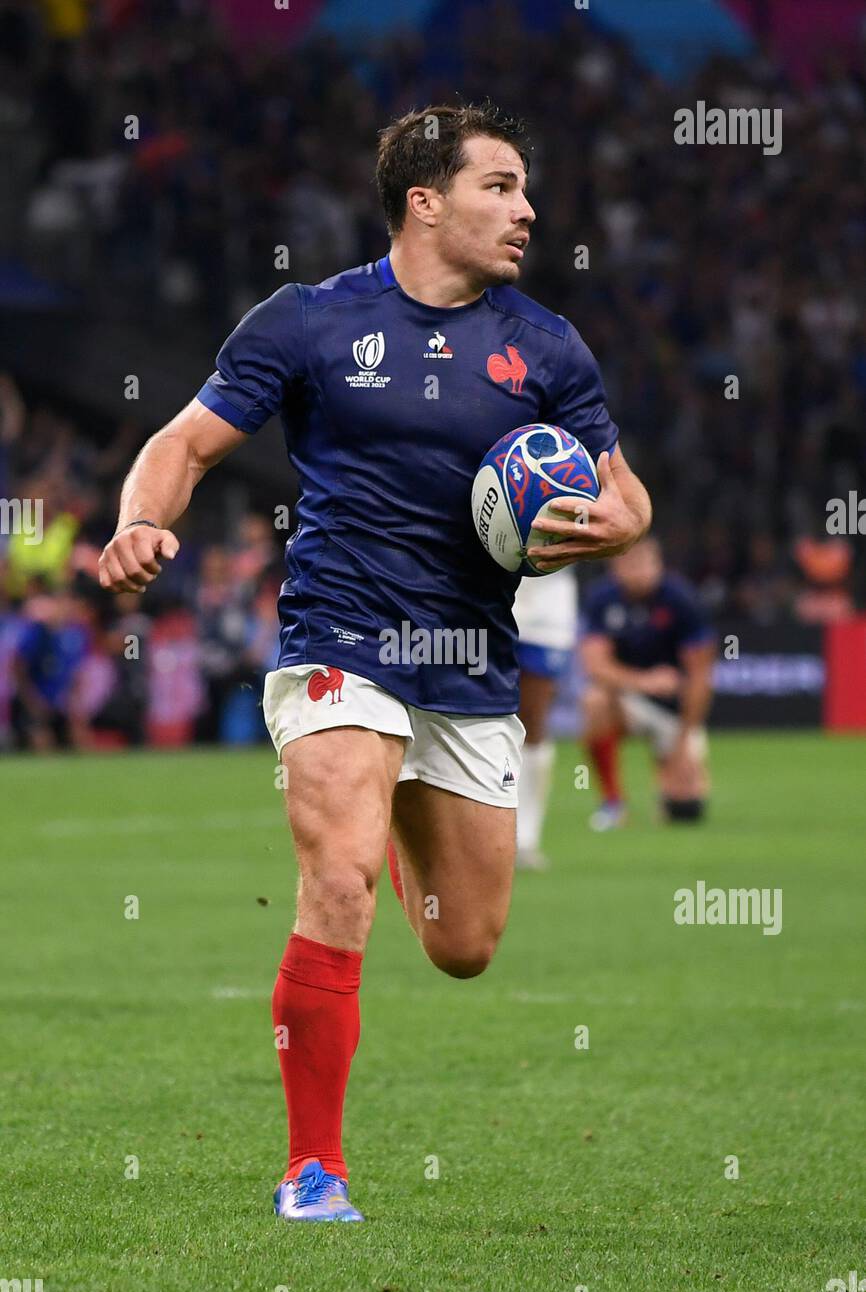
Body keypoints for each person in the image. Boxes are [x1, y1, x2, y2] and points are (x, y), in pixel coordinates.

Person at [98, 101, 651, 1222]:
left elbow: (628, 495)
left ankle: (397, 811)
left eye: (524, 188)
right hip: (340, 638)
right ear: (425, 201)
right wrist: (141, 521)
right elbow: (183, 443)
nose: (526, 209)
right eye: (499, 186)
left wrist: (610, 522)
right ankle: (315, 1170)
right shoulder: (306, 323)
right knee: (337, 878)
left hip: (467, 660)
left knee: (463, 944)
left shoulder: (544, 345)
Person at [581, 537, 714, 829]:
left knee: (686, 808)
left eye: (643, 563)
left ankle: (671, 778)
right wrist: (645, 682)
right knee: (594, 701)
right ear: (614, 565)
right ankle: (613, 804)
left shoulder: (682, 599)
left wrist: (684, 742)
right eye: (628, 563)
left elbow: (700, 676)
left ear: (659, 564)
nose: (636, 571)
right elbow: (594, 665)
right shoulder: (601, 598)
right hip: (629, 702)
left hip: (675, 710)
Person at [513, 566, 577, 869]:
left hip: (546, 603)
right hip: (484, 590)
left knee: (533, 722)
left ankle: (525, 837)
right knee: (469, 713)